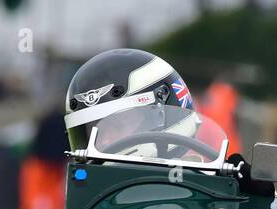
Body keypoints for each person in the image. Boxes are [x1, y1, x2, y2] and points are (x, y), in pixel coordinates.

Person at [64, 48, 207, 160]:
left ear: (163, 115)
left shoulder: (207, 189)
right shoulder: (85, 194)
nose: (104, 141)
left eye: (117, 125)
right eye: (95, 132)